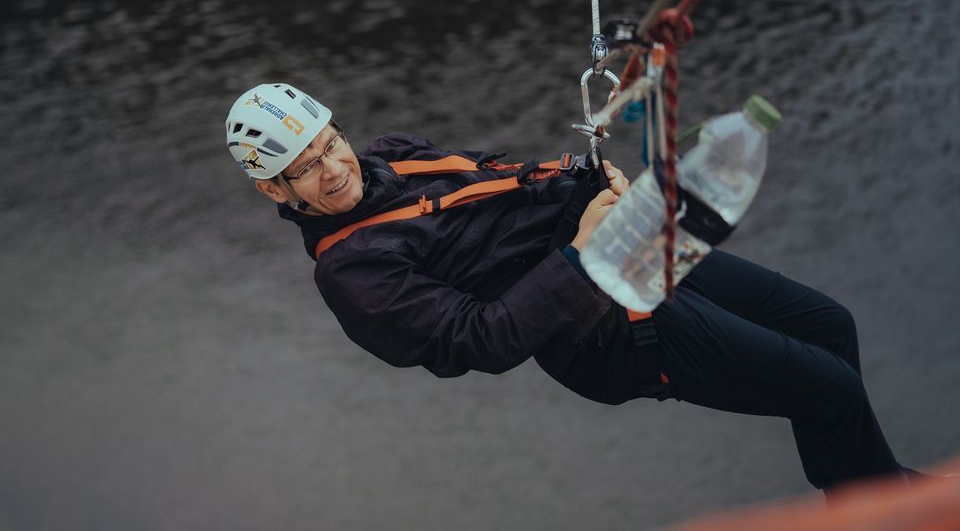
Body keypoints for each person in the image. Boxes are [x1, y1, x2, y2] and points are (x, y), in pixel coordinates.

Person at [226, 82, 917, 493]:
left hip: (617, 243)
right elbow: (484, 340)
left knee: (829, 325)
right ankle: (887, 506)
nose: (333, 168)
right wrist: (583, 250)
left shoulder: (394, 157)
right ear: (272, 187)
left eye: (328, 144)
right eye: (306, 167)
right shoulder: (354, 275)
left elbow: (499, 193)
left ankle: (860, 499)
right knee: (829, 389)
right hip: (602, 334)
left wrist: (588, 181)